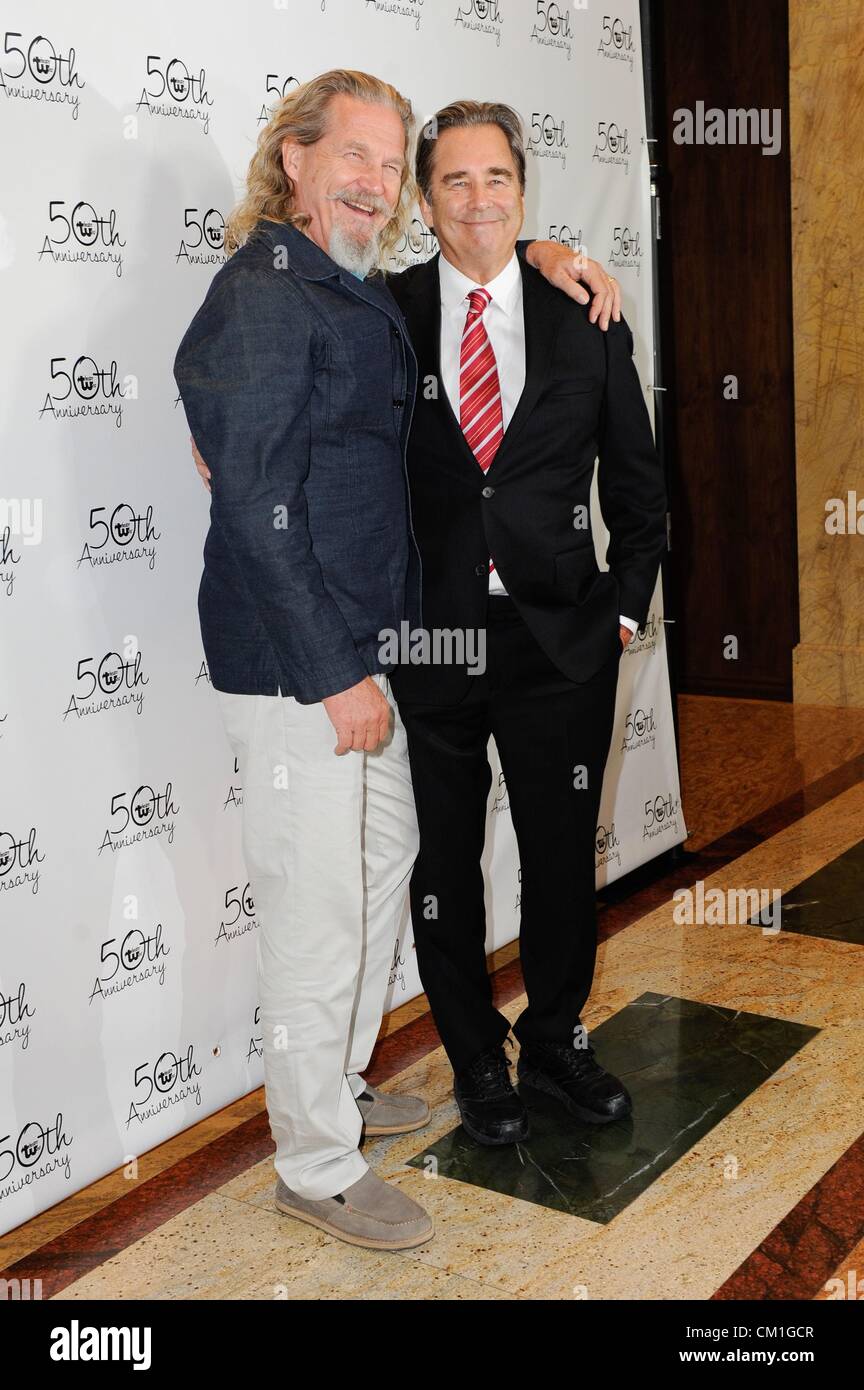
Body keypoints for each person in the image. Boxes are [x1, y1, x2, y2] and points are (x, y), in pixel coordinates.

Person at [176, 69, 619, 1250]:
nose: (374, 181)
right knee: (318, 916)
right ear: (294, 158)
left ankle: (338, 1087)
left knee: (379, 874)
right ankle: (314, 1164)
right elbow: (256, 501)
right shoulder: (266, 294)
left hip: (373, 652)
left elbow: (469, 276)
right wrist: (332, 675)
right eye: (354, 156)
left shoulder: (339, 280)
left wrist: (545, 252)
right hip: (301, 668)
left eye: (388, 160)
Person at [385, 102, 668, 1146]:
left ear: (521, 188)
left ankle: (554, 1041)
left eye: (496, 177)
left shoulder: (583, 316)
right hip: (434, 638)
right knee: (444, 866)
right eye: (454, 181)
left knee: (558, 858)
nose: (478, 199)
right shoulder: (385, 314)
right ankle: (474, 1058)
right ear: (425, 203)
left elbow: (638, 491)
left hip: (562, 641)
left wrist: (622, 616)